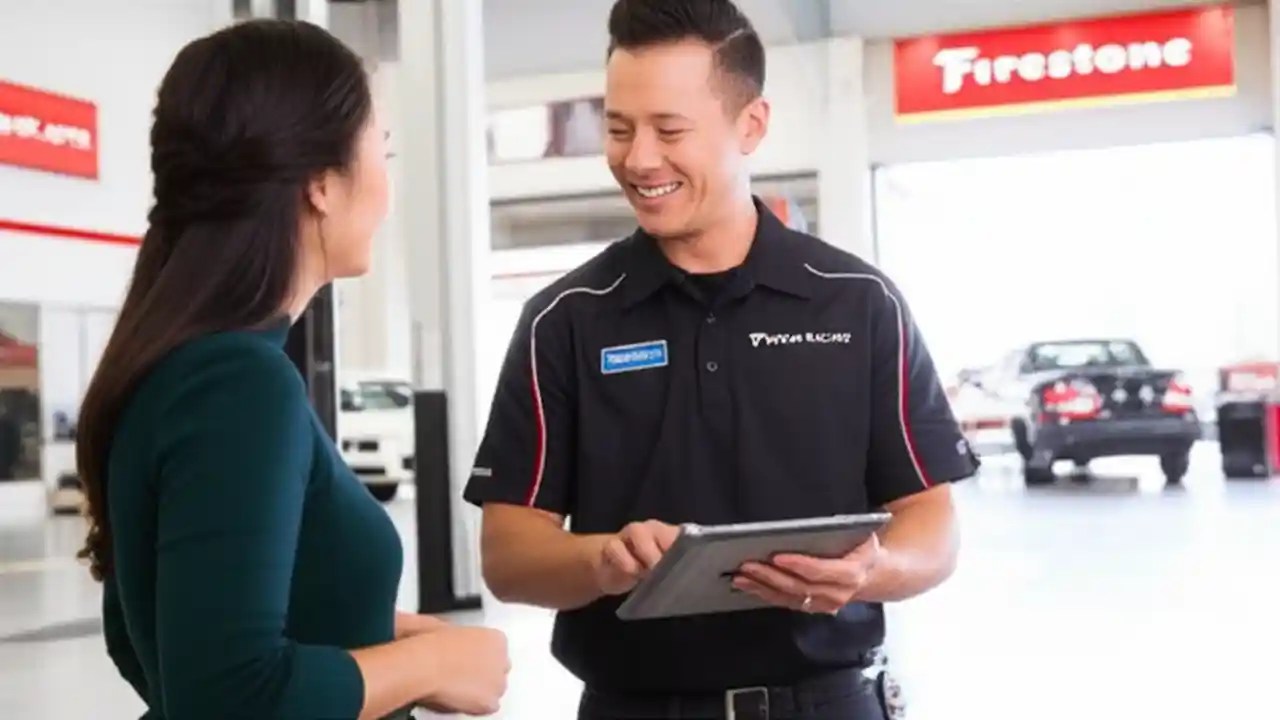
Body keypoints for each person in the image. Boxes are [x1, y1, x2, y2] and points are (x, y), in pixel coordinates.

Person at [463, 1, 979, 719]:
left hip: (827, 704)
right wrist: (602, 560)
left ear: (751, 126)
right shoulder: (566, 319)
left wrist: (873, 571)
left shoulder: (858, 305)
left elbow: (931, 522)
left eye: (670, 130)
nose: (638, 159)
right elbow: (508, 555)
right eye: (618, 128)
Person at [74, 20, 509, 720]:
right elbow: (225, 694)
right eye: (384, 153)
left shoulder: (172, 369)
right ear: (320, 185)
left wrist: (377, 636)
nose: (389, 189)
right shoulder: (239, 386)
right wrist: (431, 663)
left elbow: (155, 639)